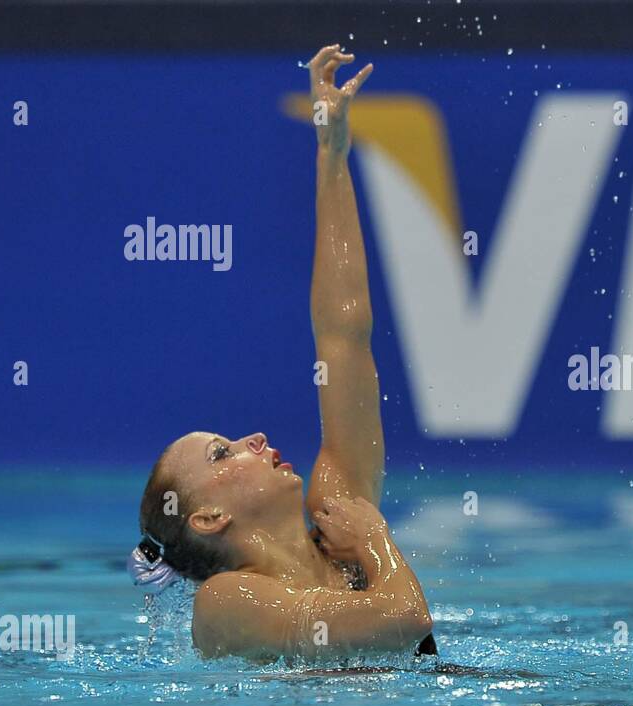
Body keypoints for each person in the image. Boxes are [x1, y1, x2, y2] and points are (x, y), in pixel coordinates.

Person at [130, 46, 435, 662]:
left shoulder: (334, 519)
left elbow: (344, 333)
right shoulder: (228, 601)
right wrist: (376, 538)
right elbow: (405, 620)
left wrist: (333, 155)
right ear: (209, 518)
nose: (255, 438)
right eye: (224, 452)